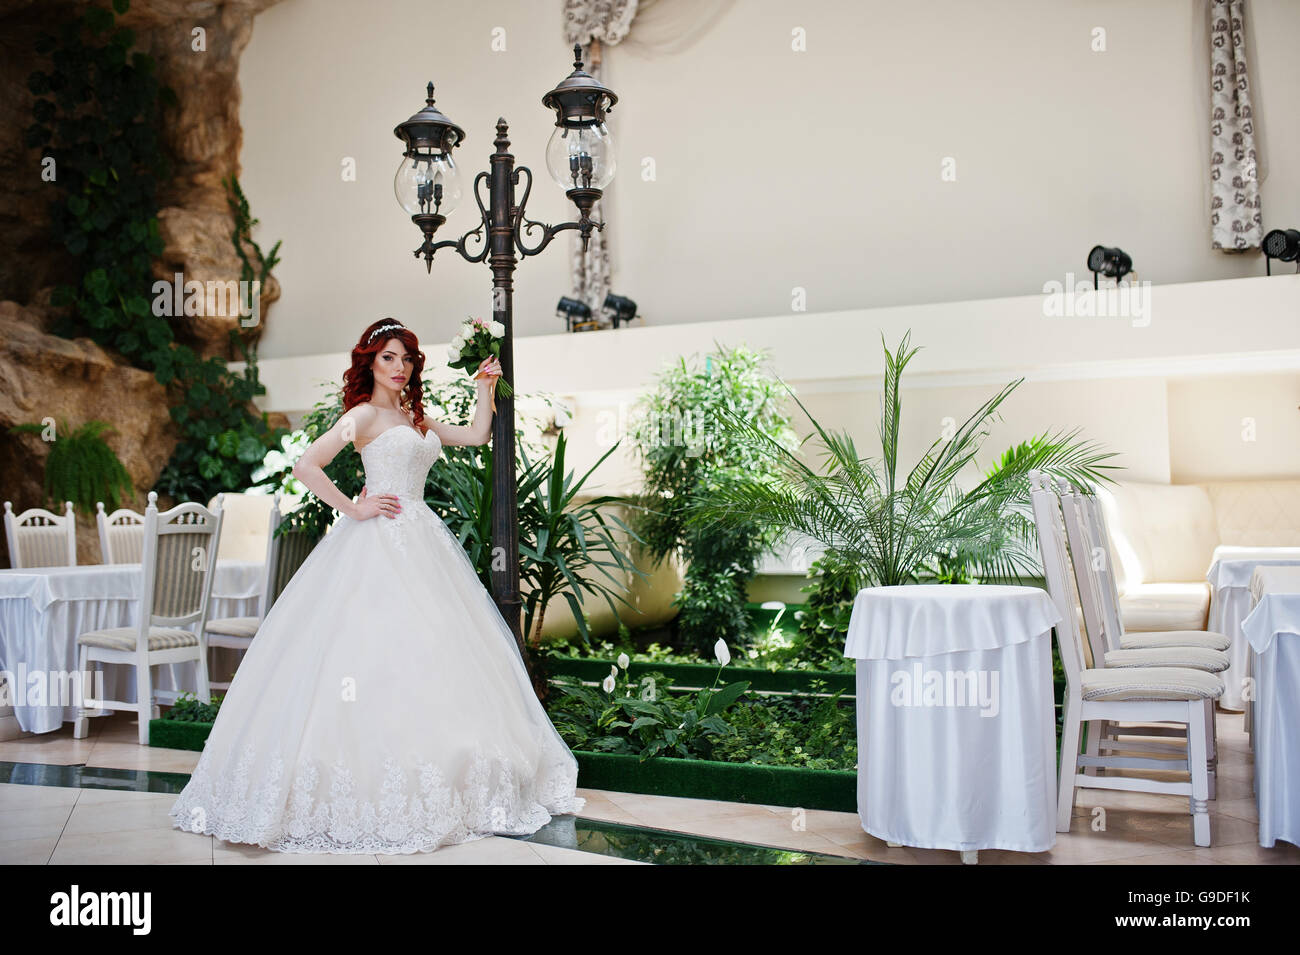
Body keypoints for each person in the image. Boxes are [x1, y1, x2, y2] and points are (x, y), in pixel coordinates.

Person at [168, 318, 584, 854]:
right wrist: (354, 507)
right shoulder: (362, 416)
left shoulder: (414, 416)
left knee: (437, 649)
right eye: (389, 357)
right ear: (370, 363)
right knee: (367, 652)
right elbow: (306, 464)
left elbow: (477, 434)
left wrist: (485, 387)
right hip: (376, 539)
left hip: (424, 544)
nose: (400, 366)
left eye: (406, 358)